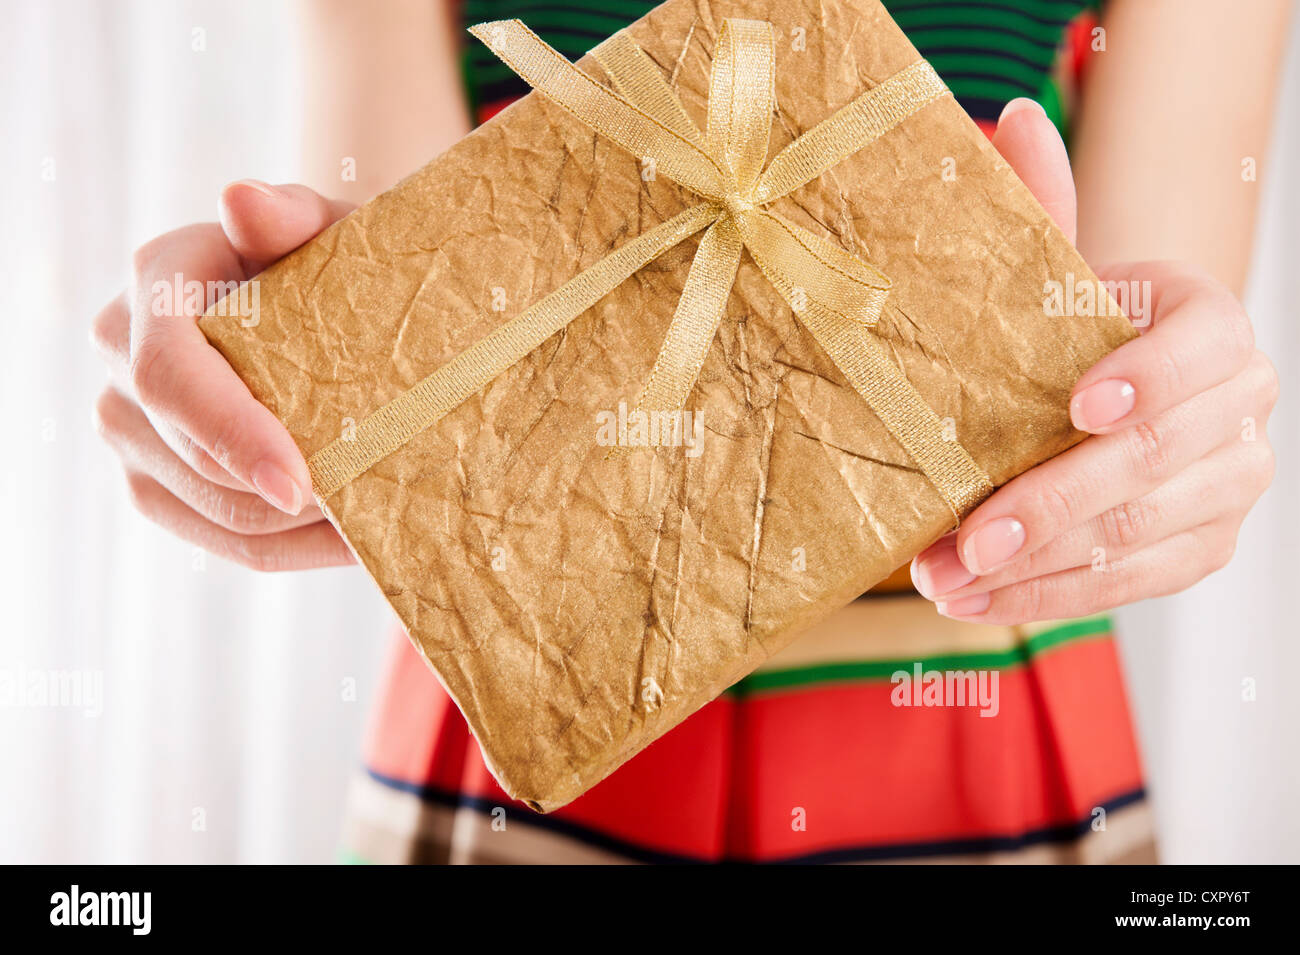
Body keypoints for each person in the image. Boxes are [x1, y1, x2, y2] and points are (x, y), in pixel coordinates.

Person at [91, 0, 1288, 863]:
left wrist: (1175, 427)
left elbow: (1129, 341)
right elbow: (412, 360)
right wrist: (267, 350)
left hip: (973, 720)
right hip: (527, 677)